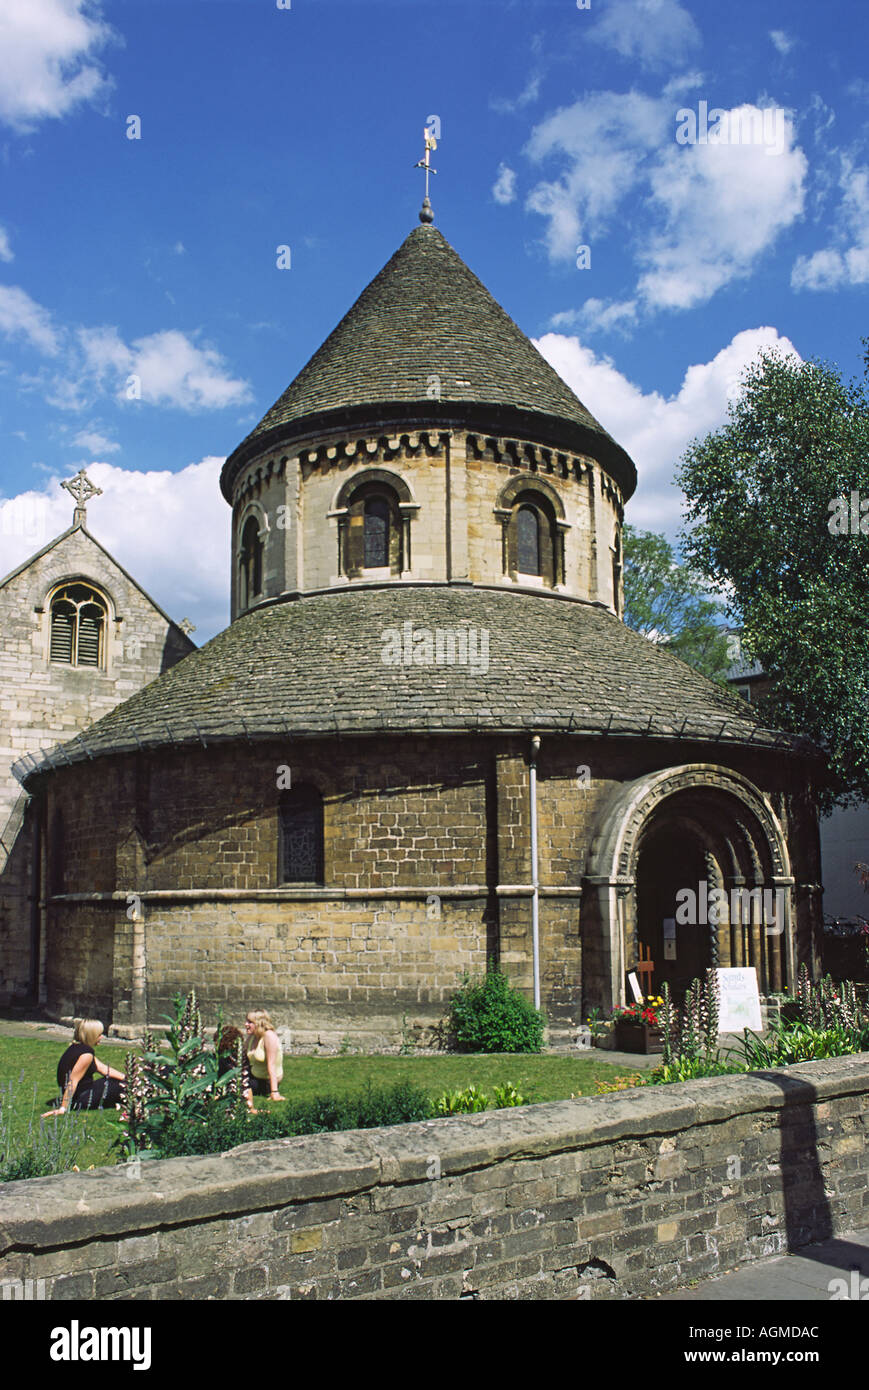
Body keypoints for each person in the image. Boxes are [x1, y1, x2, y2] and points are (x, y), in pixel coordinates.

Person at [42, 1018, 124, 1117]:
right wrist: (63, 1108)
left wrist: (130, 1078)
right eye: (99, 1035)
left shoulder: (77, 1048)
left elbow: (102, 1068)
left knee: (120, 1081)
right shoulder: (86, 1055)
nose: (102, 1037)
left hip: (82, 1094)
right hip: (82, 1098)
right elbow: (73, 1081)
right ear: (91, 1036)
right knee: (119, 1085)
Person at [243, 1009, 285, 1107]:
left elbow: (272, 1064)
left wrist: (274, 1091)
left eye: (250, 1022)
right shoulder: (252, 1036)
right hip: (254, 1075)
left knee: (238, 1086)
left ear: (258, 1024)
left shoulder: (269, 1036)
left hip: (266, 1082)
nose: (246, 1024)